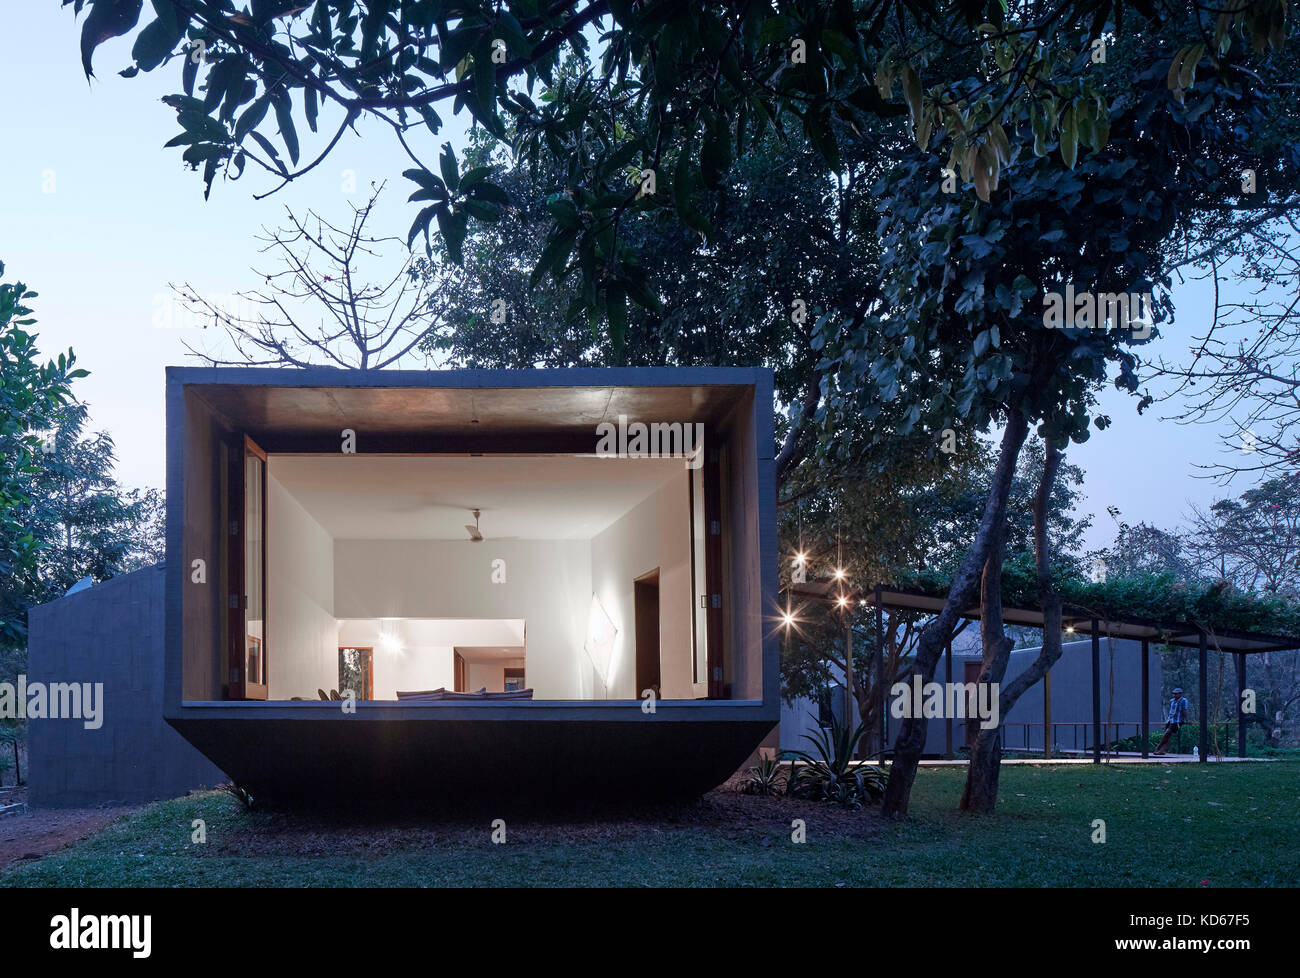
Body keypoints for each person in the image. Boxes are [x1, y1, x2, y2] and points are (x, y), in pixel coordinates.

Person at [1152, 687, 1191, 755]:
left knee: (1167, 733)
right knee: (1166, 735)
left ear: (1180, 694)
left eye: (1176, 694)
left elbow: (1184, 710)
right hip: (1170, 720)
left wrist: (1187, 720)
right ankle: (1162, 750)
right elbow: (1171, 711)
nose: (1174, 695)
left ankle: (1158, 747)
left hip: (1177, 721)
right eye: (1173, 694)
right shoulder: (1172, 701)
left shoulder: (1184, 700)